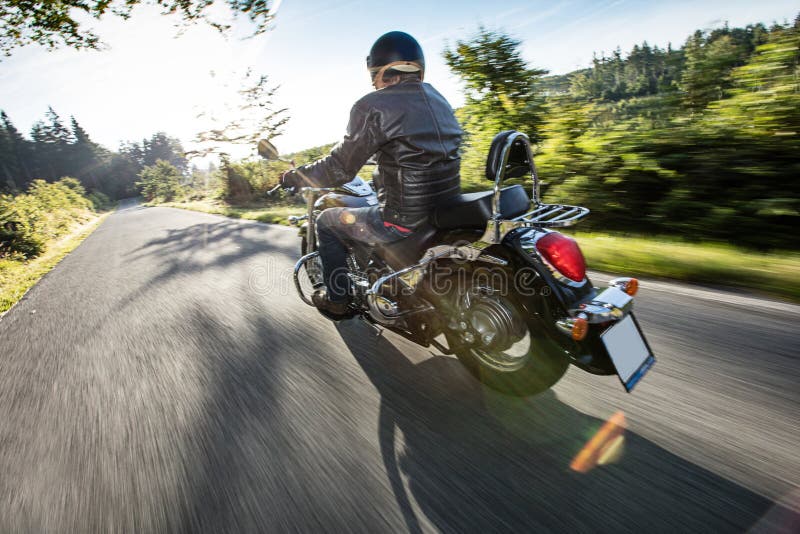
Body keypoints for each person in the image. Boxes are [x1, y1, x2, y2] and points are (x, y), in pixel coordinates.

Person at [281, 31, 462, 315]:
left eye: (373, 76)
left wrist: (295, 175)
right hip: (445, 209)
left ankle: (338, 300)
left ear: (381, 70)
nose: (374, 83)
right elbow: (415, 150)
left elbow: (339, 167)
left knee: (327, 221)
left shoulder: (373, 105)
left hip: (403, 219)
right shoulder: (439, 100)